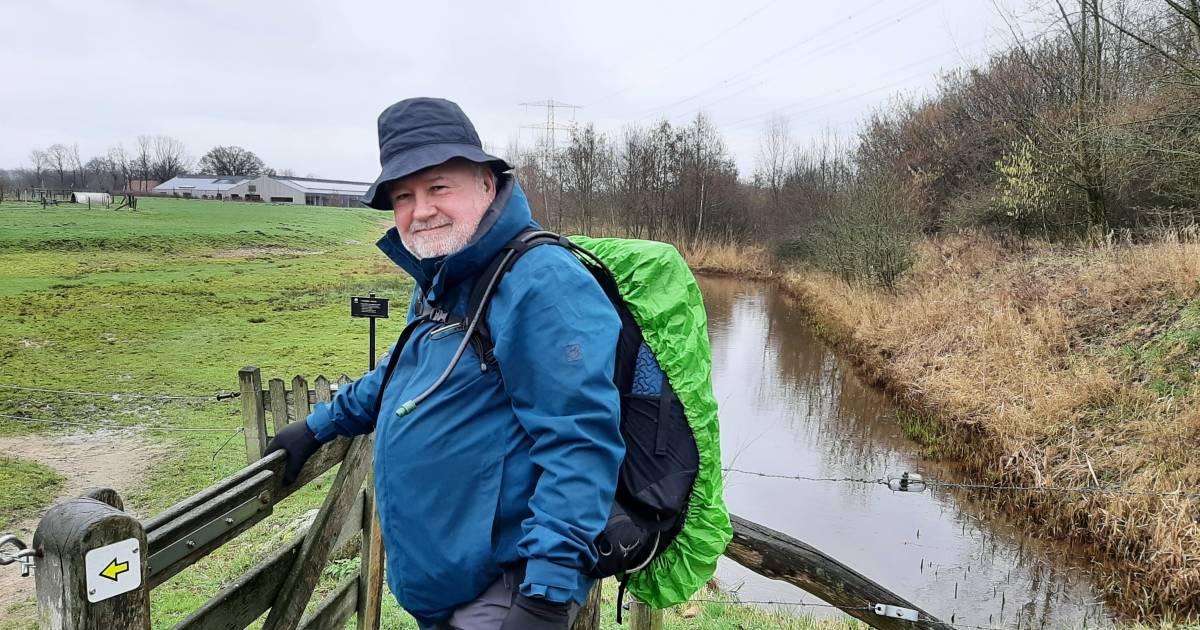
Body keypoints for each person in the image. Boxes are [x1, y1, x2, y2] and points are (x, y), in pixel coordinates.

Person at [265, 97, 625, 630]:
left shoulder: (540, 281)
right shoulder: (444, 275)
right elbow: (401, 372)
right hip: (451, 586)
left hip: (505, 590)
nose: (421, 209)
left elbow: (580, 441)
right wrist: (317, 427)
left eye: (438, 187)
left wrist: (546, 596)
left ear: (486, 182)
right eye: (404, 196)